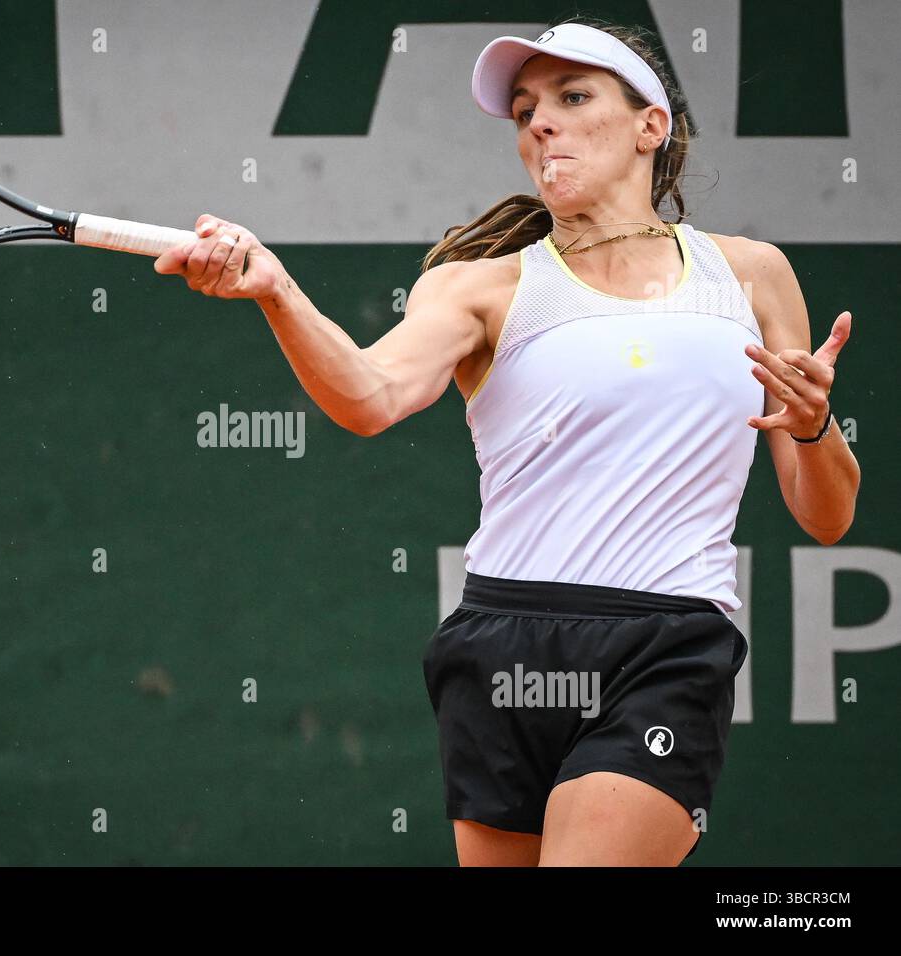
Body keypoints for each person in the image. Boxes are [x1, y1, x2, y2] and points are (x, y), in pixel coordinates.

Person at [153, 15, 860, 866]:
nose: (540, 123)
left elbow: (826, 517)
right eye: (525, 110)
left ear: (650, 126)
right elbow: (370, 397)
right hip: (501, 645)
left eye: (571, 97)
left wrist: (815, 426)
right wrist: (277, 290)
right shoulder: (479, 287)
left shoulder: (751, 275)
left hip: (664, 647)